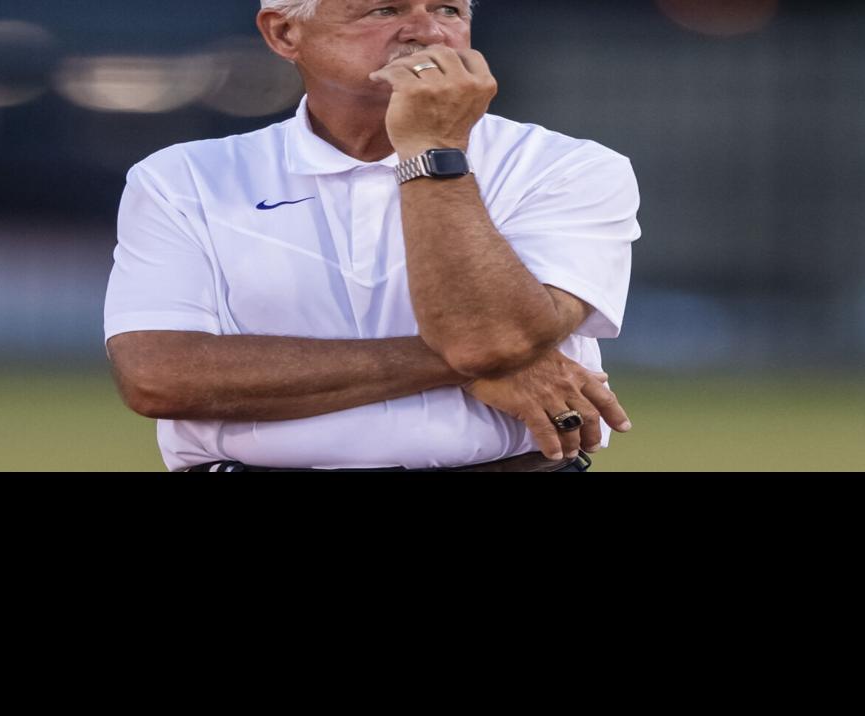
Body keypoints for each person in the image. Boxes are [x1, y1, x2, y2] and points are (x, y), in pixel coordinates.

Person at [102, 0, 640, 472]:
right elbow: (160, 377)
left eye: (449, 9)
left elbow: (488, 340)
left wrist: (433, 150)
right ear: (283, 33)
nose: (427, 32)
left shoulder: (569, 168)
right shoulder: (185, 177)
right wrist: (473, 367)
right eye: (385, 9)